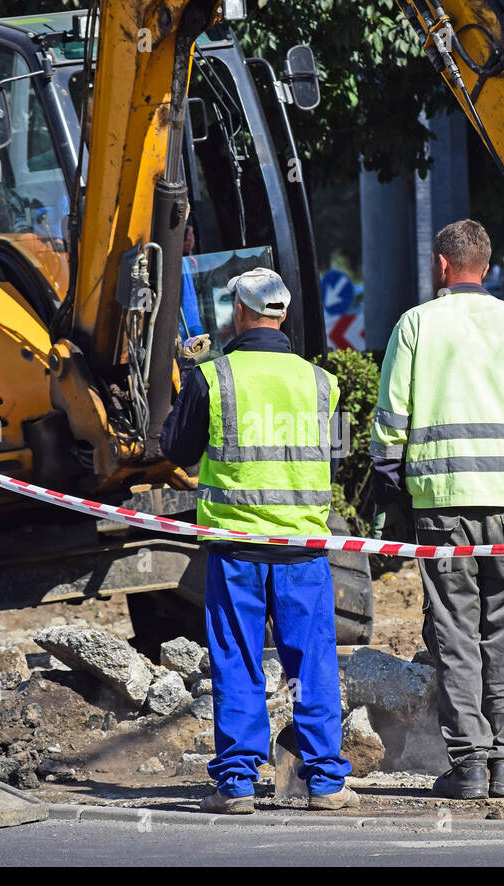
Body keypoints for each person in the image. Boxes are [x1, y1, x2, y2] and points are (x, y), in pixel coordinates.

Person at [370, 219, 504, 800]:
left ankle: (467, 767)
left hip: (441, 505)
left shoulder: (415, 325)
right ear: (484, 267)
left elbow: (389, 422)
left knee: (453, 630)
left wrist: (390, 488)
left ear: (442, 265)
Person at [162, 267, 357, 814]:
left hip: (238, 549)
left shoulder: (214, 377)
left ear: (240, 313)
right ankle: (324, 781)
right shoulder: (319, 381)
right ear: (283, 315)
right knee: (312, 662)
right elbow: (331, 458)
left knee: (238, 662)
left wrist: (186, 378)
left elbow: (176, 449)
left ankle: (237, 785)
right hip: (302, 549)